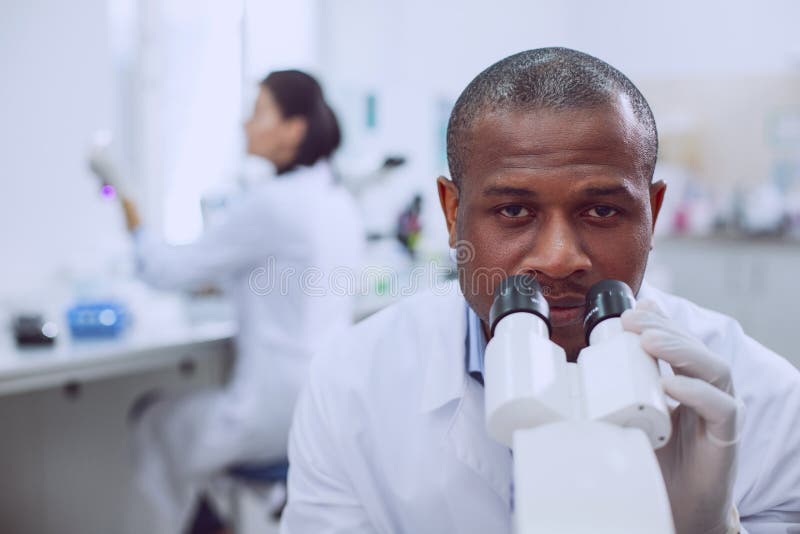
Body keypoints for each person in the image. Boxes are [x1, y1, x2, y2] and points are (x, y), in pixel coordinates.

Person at [281, 49, 800, 533]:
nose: (559, 256)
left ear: (654, 212)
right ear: (452, 212)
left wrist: (708, 529)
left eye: (602, 211)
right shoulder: (352, 386)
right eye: (513, 211)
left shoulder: (768, 403)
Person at [117, 70, 363, 533]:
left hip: (268, 414)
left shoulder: (271, 202)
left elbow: (163, 270)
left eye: (257, 113)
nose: (245, 124)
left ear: (292, 129)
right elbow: (287, 279)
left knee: (150, 417)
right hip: (323, 408)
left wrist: (127, 206)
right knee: (193, 448)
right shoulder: (339, 202)